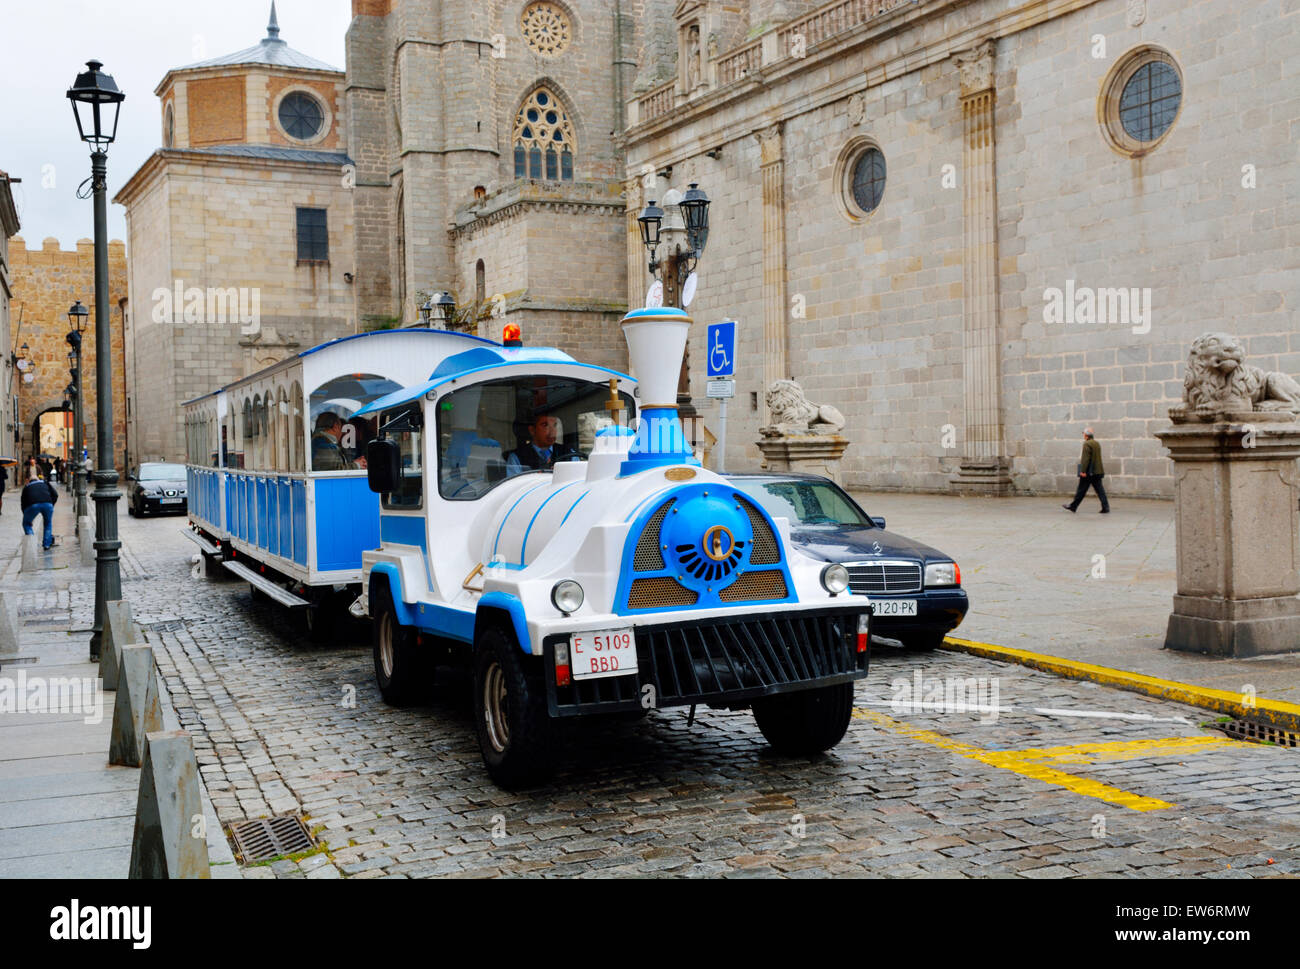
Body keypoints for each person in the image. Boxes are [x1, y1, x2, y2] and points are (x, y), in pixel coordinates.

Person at [506, 412, 577, 474]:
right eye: (545, 425)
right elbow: (516, 487)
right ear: (532, 430)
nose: (552, 432)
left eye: (554, 425)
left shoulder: (569, 454)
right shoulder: (516, 458)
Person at [1063, 426, 1109, 514]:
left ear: (1087, 435)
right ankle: (1106, 507)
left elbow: (1085, 459)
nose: (1083, 435)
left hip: (1089, 472)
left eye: (1083, 434)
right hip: (1097, 471)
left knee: (1081, 490)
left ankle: (1073, 506)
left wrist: (1083, 471)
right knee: (1100, 491)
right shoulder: (1096, 443)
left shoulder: (1087, 444)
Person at [21, 469, 58, 549]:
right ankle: (47, 545)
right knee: (48, 523)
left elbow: (23, 502)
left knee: (26, 524)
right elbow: (55, 494)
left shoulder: (26, 487)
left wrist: (27, 516)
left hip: (32, 505)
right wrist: (51, 504)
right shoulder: (45, 483)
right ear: (38, 479)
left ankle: (31, 542)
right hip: (47, 504)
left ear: (29, 481)